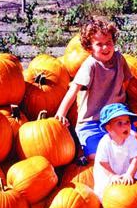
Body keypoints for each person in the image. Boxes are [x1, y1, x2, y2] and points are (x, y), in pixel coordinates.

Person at [55, 17, 132, 160]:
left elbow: (125, 80)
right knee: (95, 157)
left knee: (133, 143)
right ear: (89, 47)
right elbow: (73, 90)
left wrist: (118, 98)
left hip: (115, 117)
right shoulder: (90, 66)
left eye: (108, 42)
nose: (105, 47)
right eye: (99, 44)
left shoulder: (119, 59)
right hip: (91, 122)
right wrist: (61, 113)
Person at [93, 103, 137, 201]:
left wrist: (130, 174)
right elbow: (103, 162)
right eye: (119, 123)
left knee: (135, 182)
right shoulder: (105, 143)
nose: (125, 126)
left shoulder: (131, 139)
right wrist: (112, 175)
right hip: (109, 169)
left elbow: (135, 159)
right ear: (109, 128)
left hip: (128, 166)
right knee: (110, 192)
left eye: (127, 122)